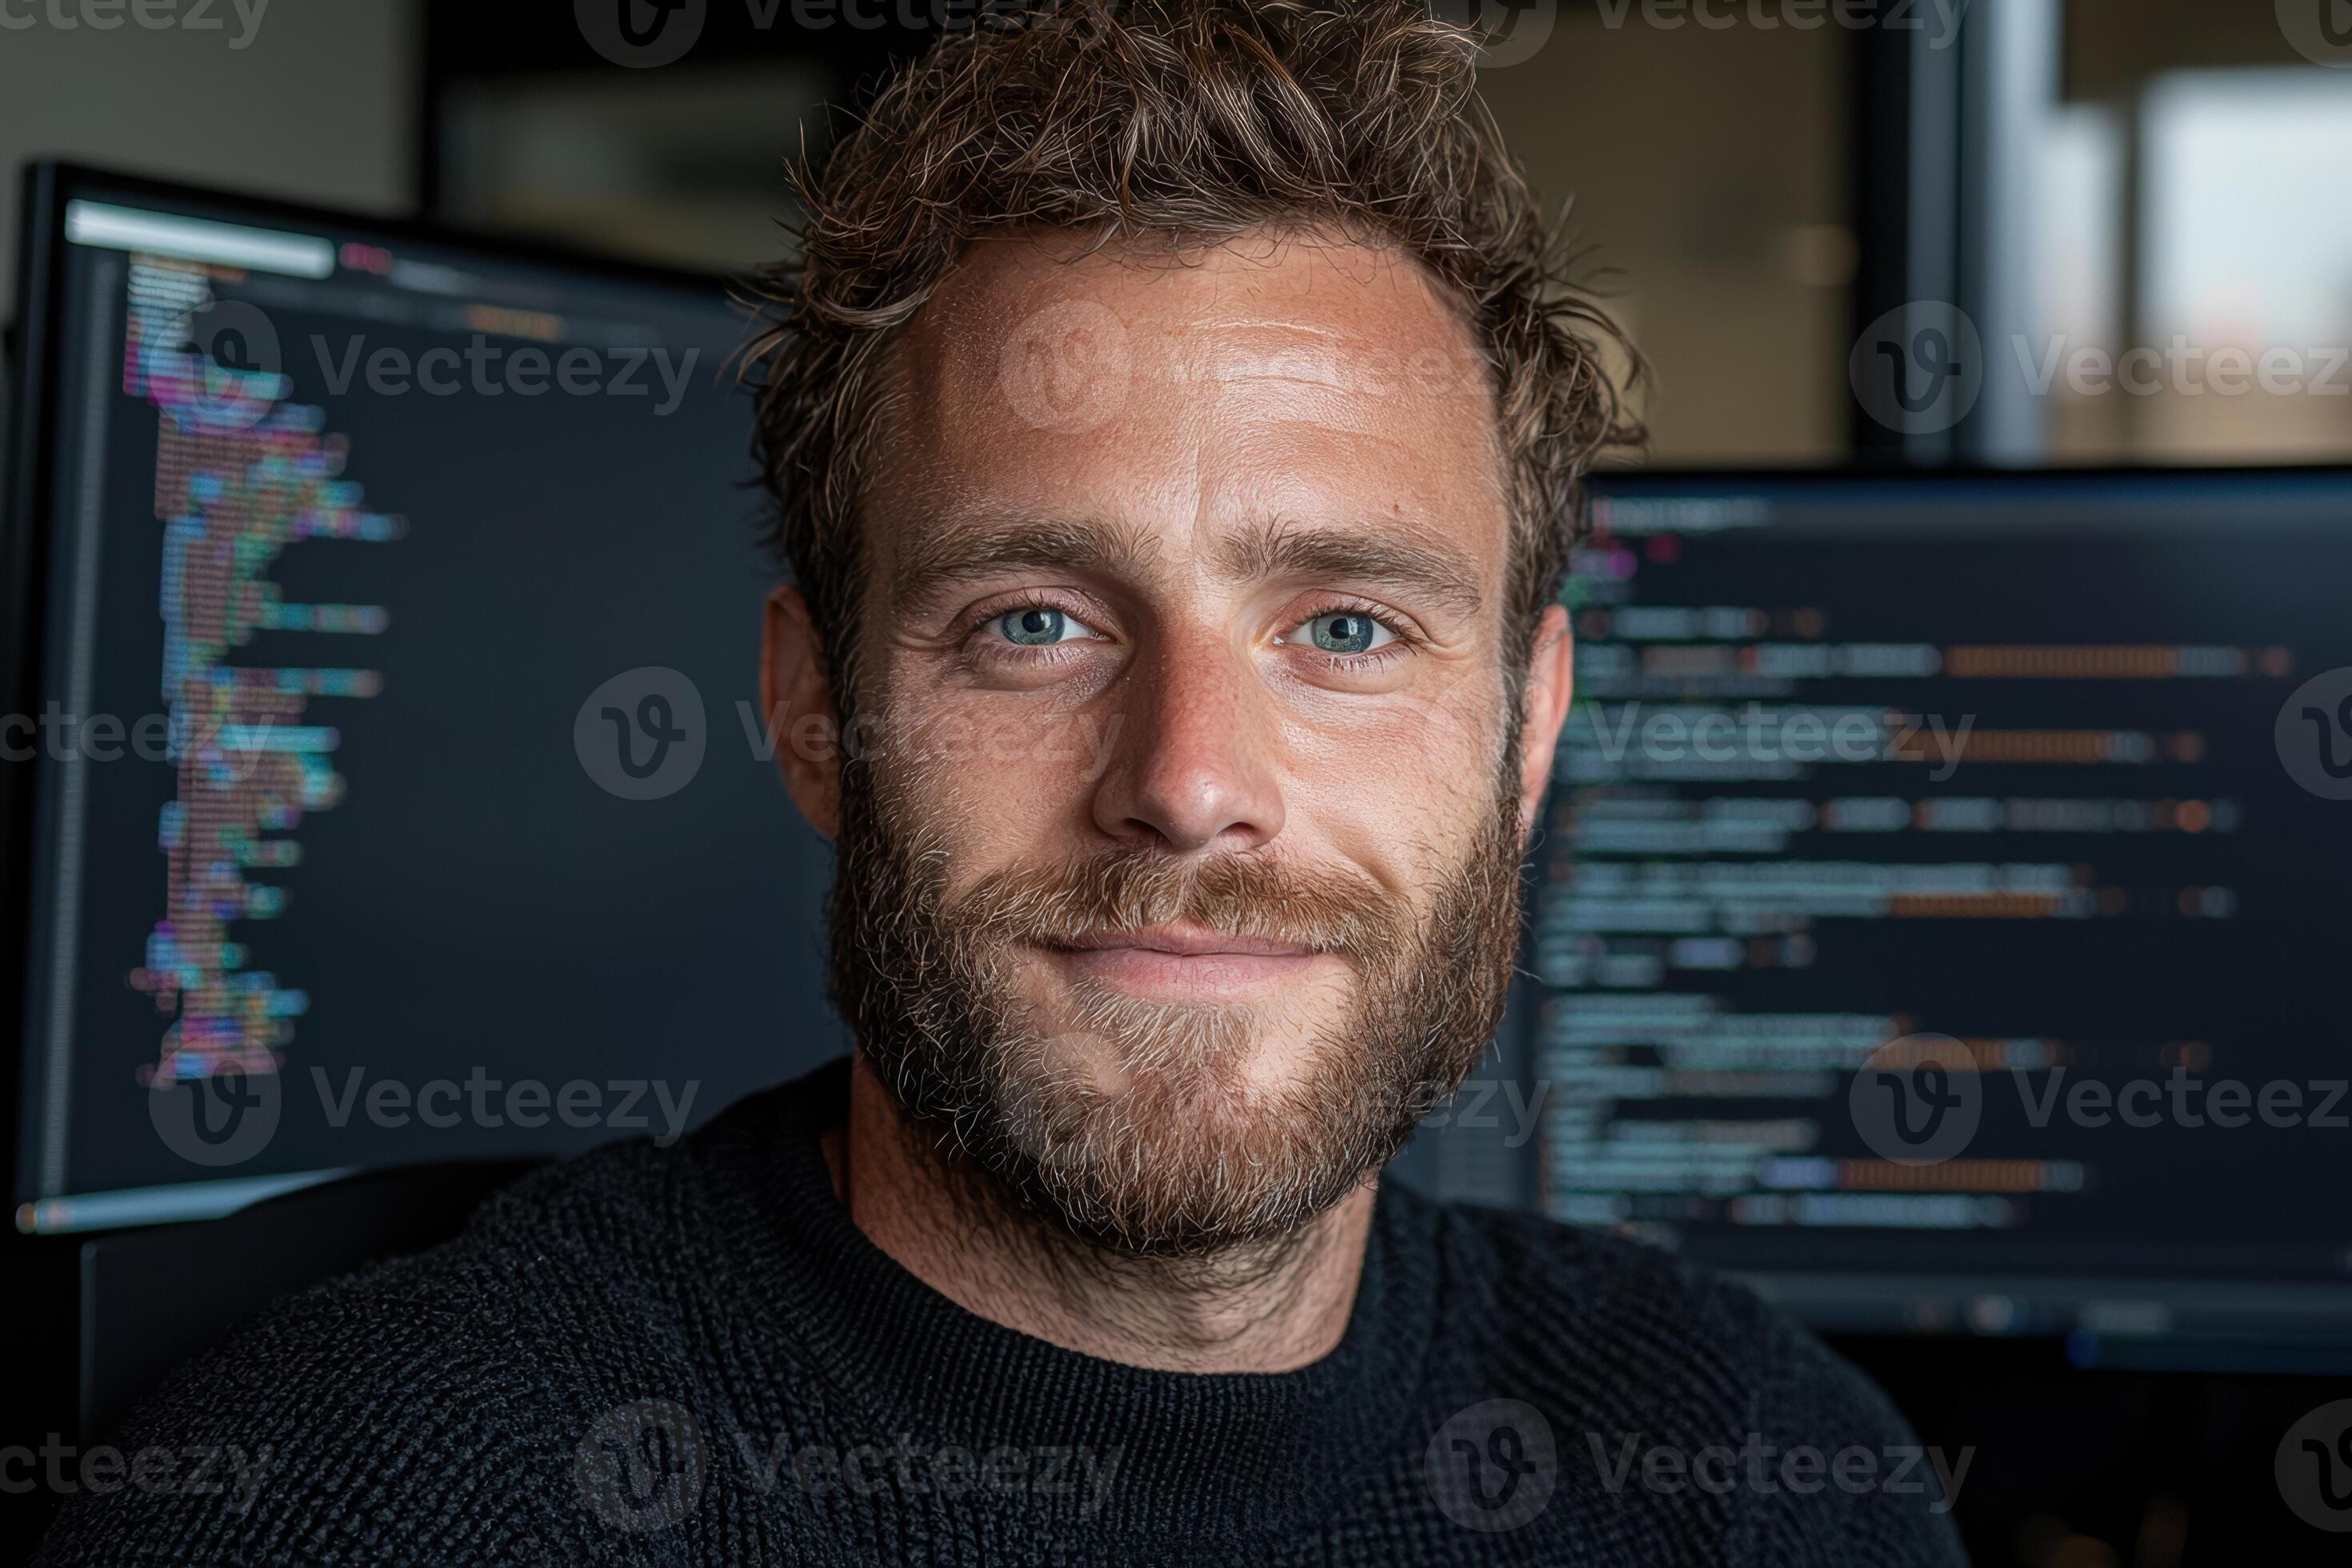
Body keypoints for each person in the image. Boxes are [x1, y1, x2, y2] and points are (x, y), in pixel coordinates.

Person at [38, 3, 1966, 1562]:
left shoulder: (1763, 1471)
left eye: (1351, 629)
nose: (1191, 783)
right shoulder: (364, 1502)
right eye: (1036, 621)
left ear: (1528, 733)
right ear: (812, 713)